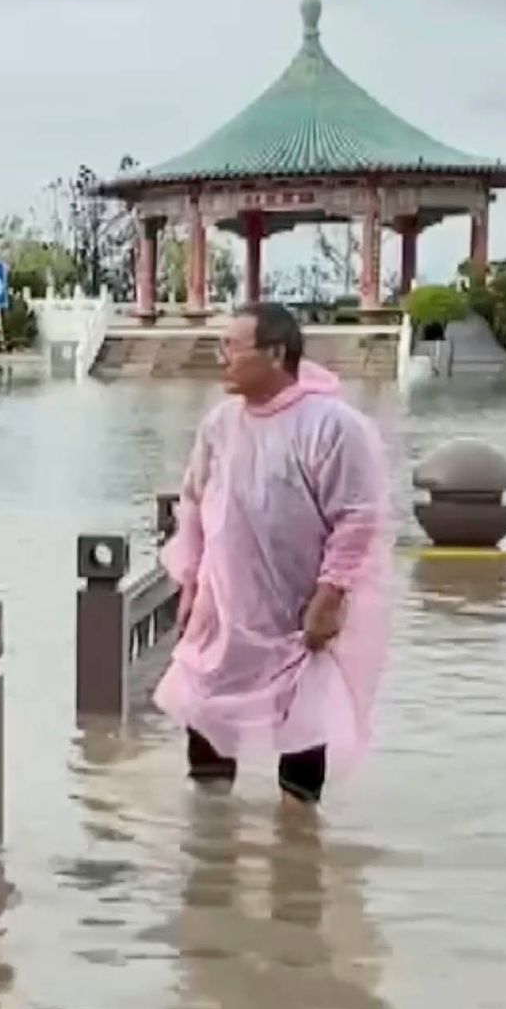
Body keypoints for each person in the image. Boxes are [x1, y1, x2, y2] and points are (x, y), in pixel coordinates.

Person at [154, 304, 392, 805]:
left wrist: (329, 595)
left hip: (297, 601)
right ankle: (211, 837)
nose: (221, 358)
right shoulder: (220, 424)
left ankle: (298, 838)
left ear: (276, 353)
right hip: (224, 601)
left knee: (304, 714)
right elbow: (194, 501)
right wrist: (191, 581)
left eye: (231, 348)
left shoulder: (332, 426)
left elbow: (358, 518)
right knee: (207, 706)